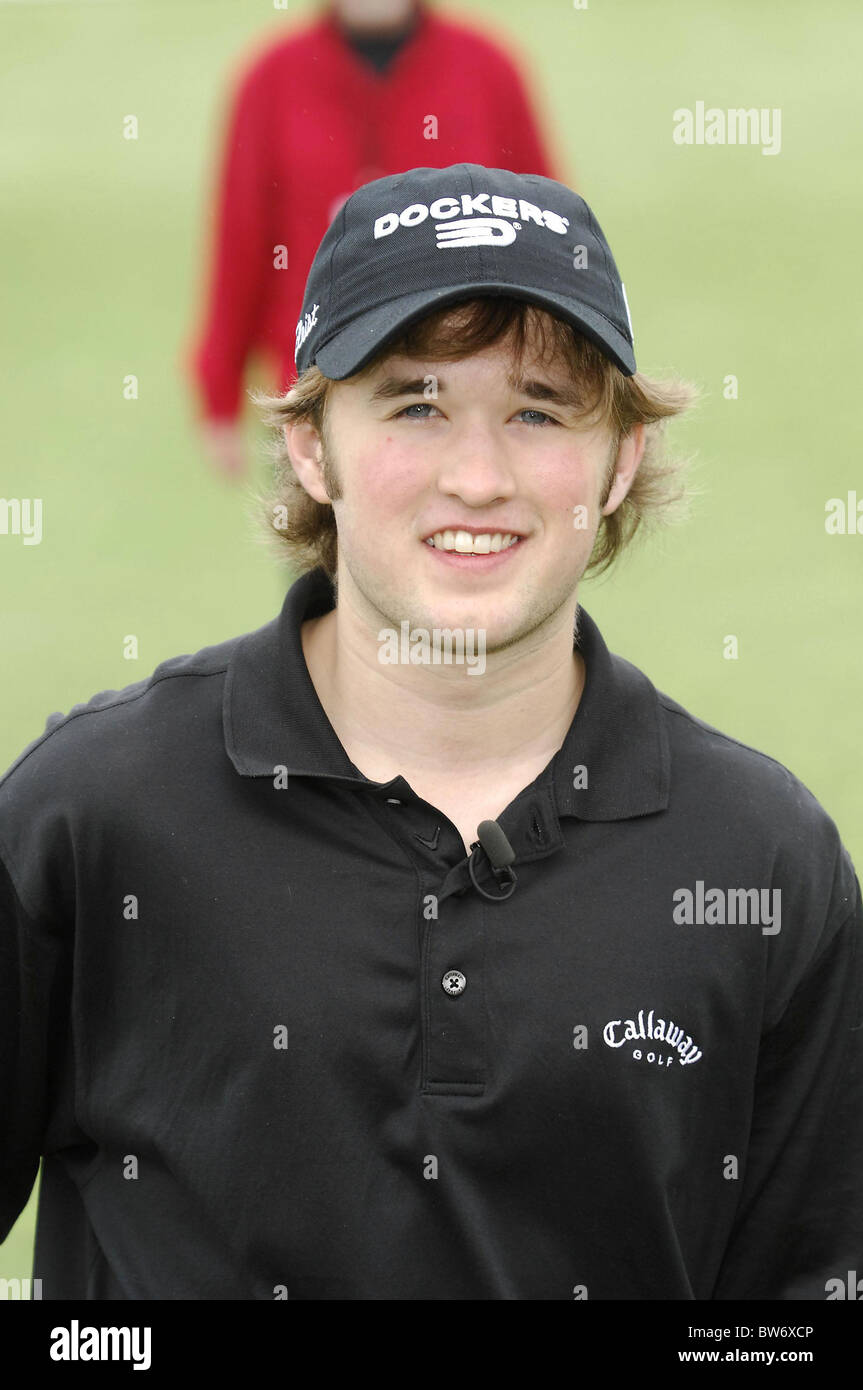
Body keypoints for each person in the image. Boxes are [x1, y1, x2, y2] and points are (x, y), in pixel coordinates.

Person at [2, 163, 860, 1300]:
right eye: (414, 403)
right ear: (313, 446)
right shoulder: (91, 812)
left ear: (619, 461)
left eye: (538, 410)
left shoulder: (760, 859)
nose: (476, 474)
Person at [188, 0, 561, 480]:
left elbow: (545, 228)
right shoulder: (272, 78)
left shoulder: (487, 69)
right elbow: (241, 240)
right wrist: (220, 390)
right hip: (316, 384)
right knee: (327, 552)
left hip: (470, 387)